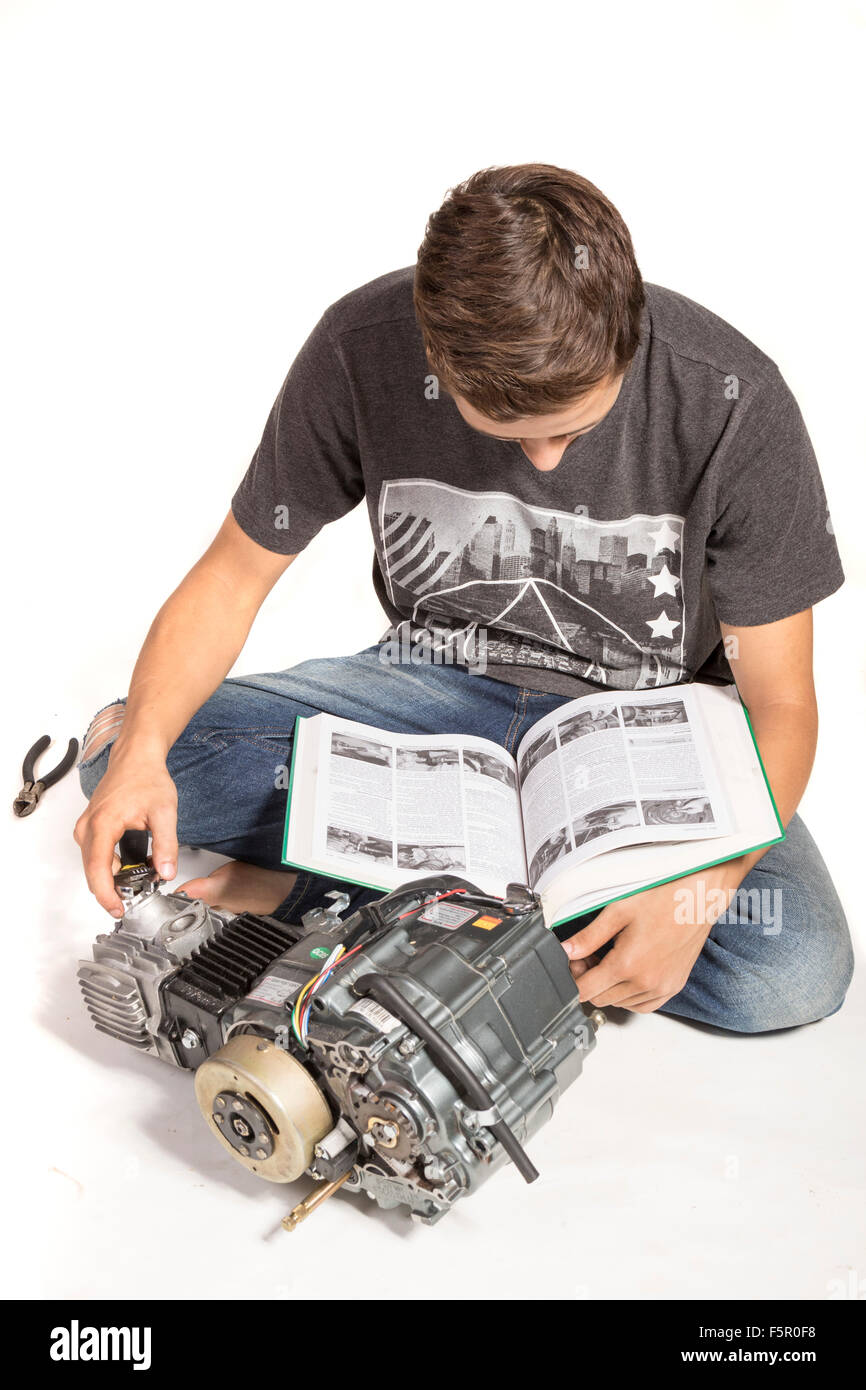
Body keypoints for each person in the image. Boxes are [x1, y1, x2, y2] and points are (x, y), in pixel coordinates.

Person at [74, 163, 853, 1033]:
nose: (548, 461)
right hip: (432, 686)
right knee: (128, 769)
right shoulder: (359, 346)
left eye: (574, 428)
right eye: (515, 432)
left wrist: (703, 892)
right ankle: (503, 908)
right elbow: (233, 572)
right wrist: (144, 749)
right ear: (436, 354)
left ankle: (343, 896)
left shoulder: (733, 399)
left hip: (646, 727)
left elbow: (780, 702)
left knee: (787, 973)